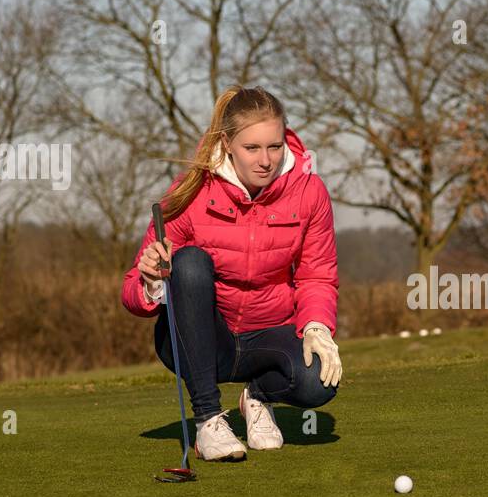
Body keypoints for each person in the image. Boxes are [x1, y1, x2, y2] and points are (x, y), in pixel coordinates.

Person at [121, 85, 341, 461]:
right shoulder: (190, 192)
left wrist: (318, 327)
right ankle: (207, 419)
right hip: (206, 342)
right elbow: (132, 293)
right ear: (226, 144)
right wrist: (152, 281)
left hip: (270, 335)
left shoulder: (310, 191)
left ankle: (257, 396)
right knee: (188, 262)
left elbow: (316, 275)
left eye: (274, 146)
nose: (266, 160)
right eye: (251, 148)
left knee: (318, 383)